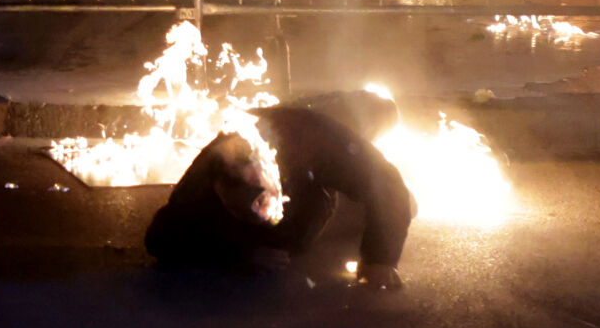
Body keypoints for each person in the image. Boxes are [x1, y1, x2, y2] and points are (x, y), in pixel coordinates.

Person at [144, 89, 416, 289]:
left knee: (399, 205)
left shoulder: (319, 146)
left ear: (277, 183)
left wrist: (381, 260)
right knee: (291, 237)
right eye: (242, 210)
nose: (258, 217)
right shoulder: (207, 173)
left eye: (263, 207)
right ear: (219, 186)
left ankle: (371, 107)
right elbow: (160, 238)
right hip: (292, 151)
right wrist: (239, 254)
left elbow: (387, 184)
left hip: (326, 130)